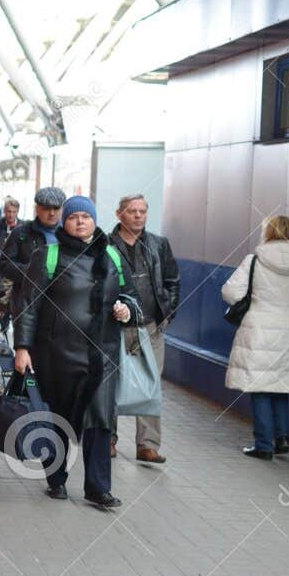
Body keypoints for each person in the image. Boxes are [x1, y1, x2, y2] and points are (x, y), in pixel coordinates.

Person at [12, 196, 143, 509]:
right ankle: (56, 478)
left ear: (94, 220)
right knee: (60, 415)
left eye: (86, 216)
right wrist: (23, 348)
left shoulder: (112, 254)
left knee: (99, 417)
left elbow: (131, 295)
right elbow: (29, 305)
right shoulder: (49, 255)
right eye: (73, 217)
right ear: (64, 221)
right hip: (58, 352)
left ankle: (98, 487)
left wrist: (127, 310)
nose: (80, 221)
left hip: (103, 353)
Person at [221, 214, 289, 459]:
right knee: (281, 385)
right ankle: (282, 437)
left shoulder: (254, 260)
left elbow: (231, 292)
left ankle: (264, 445)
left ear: (268, 232)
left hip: (260, 329)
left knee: (260, 386)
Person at [109, 194, 180, 465]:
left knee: (151, 381)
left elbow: (173, 280)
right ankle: (108, 438)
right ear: (119, 214)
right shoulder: (106, 245)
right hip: (115, 326)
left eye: (142, 211)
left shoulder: (159, 244)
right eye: (132, 211)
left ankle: (148, 445)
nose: (138, 215)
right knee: (111, 380)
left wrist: (168, 313)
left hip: (151, 325)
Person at [0, 185, 65, 321]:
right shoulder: (20, 233)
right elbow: (5, 265)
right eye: (46, 208)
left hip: (61, 305)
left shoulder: (69, 233)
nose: (52, 213)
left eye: (56, 208)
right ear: (37, 209)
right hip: (26, 305)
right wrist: (32, 271)